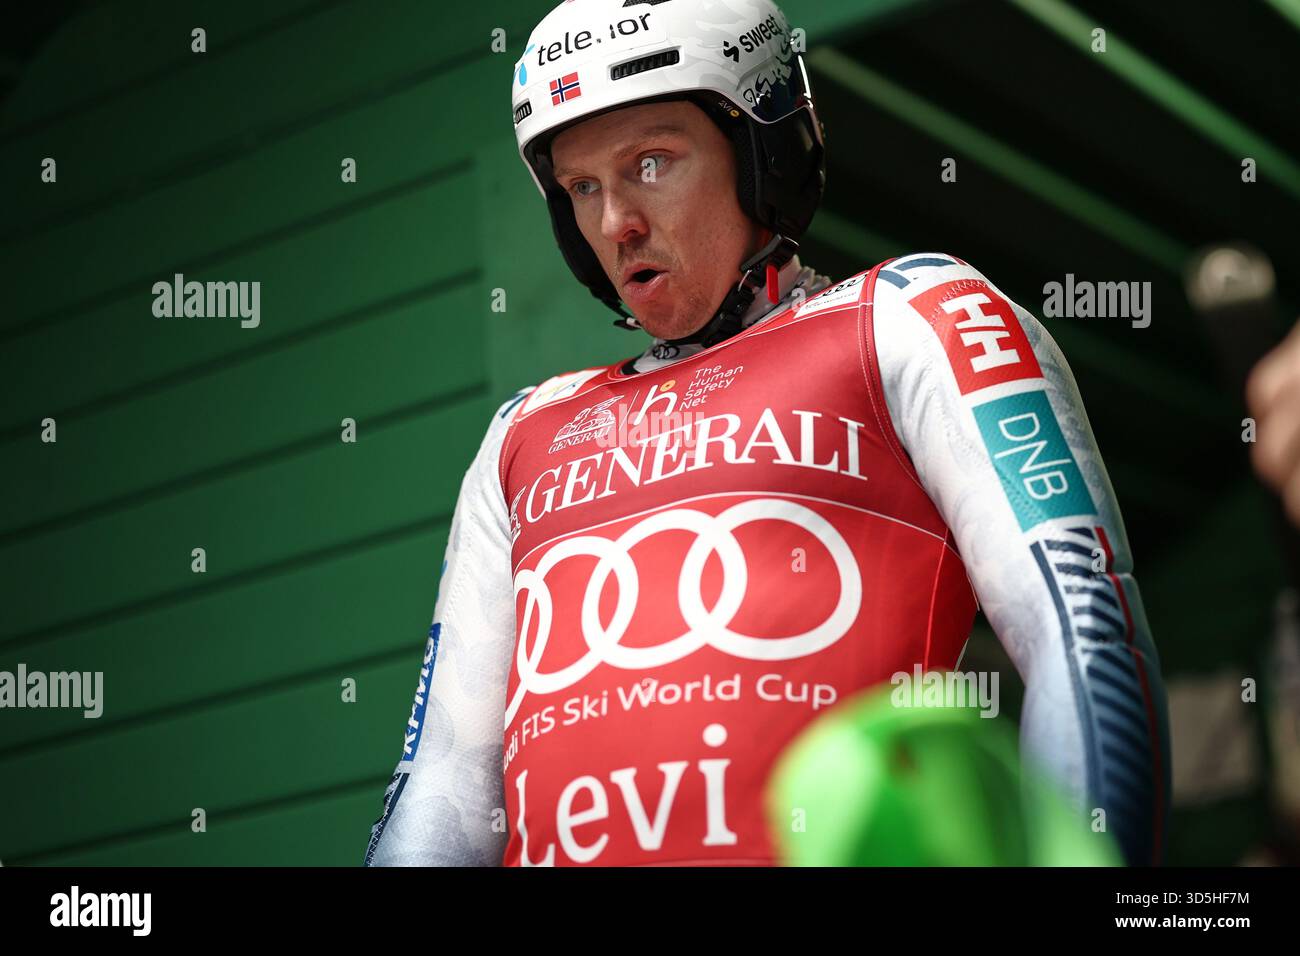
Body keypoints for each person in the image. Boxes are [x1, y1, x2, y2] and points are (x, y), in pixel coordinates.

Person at [365, 0, 1170, 867]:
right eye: (582, 187)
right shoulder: (524, 432)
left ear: (765, 153)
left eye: (650, 161)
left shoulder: (912, 317)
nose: (613, 223)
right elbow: (441, 781)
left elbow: (1079, 625)